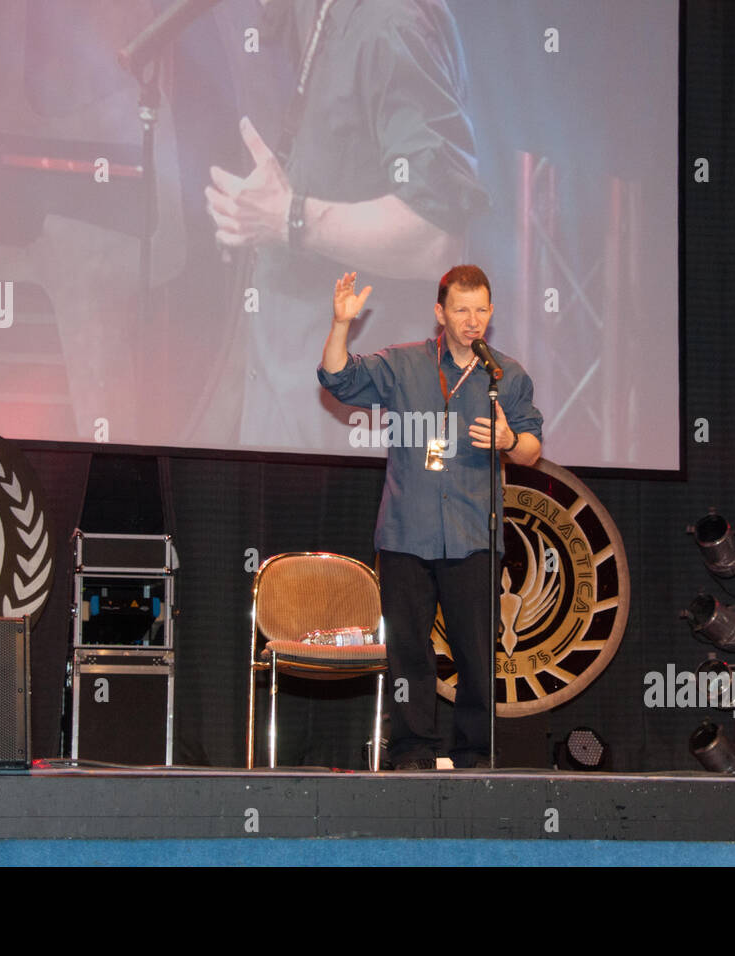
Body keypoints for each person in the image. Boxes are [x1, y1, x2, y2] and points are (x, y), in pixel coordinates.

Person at [202, 0, 489, 450]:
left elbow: (435, 238)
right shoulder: (317, 13)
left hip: (355, 432)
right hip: (297, 409)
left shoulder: (392, 23)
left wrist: (290, 218)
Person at [318, 265, 542, 769]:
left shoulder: (504, 376)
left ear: (492, 313)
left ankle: (475, 755)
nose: (473, 320)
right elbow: (336, 378)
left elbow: (531, 447)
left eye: (482, 309)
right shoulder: (402, 364)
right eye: (462, 310)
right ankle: (413, 752)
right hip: (405, 532)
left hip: (473, 535)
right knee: (409, 656)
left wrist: (510, 441)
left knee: (476, 656)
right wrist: (340, 325)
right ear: (440, 313)